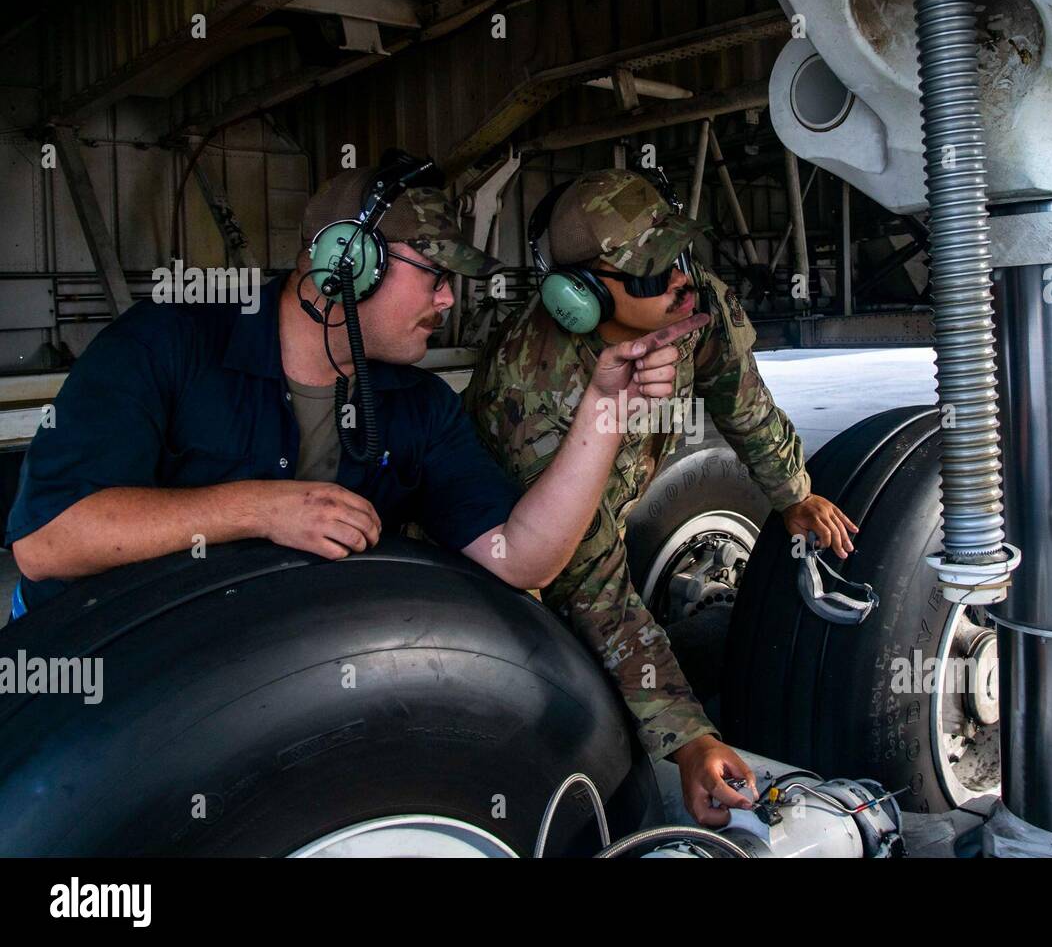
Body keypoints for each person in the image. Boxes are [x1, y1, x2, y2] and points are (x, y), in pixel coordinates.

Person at [5, 164, 708, 645]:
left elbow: (521, 560)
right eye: (433, 276)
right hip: (108, 664)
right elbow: (46, 544)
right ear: (346, 262)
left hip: (260, 664)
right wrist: (260, 506)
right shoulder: (164, 344)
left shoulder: (417, 406)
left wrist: (604, 408)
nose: (447, 300)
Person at [465, 168, 857, 826]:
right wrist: (686, 738)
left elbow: (743, 399)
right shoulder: (534, 398)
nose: (680, 279)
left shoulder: (690, 302)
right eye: (651, 273)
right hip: (503, 551)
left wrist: (792, 495)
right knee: (546, 681)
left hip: (603, 513)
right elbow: (592, 588)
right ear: (581, 297)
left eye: (678, 254)